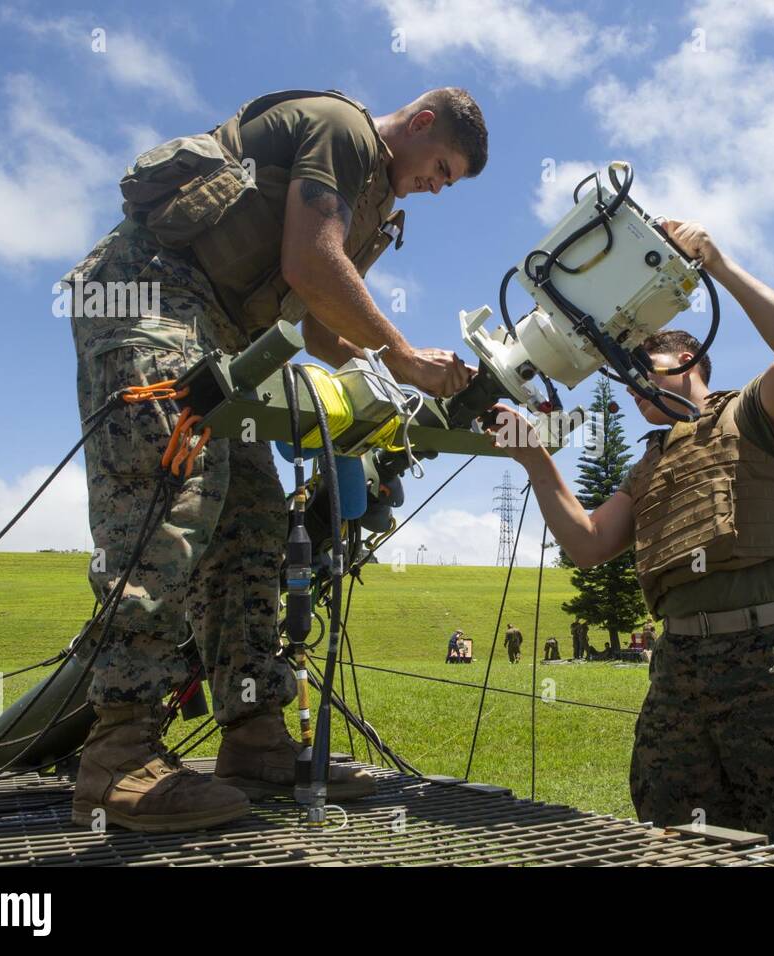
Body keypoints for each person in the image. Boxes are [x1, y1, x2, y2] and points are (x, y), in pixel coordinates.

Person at [67, 86, 488, 832]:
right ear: (422, 124)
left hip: (221, 333)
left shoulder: (372, 206)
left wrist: (386, 371)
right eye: (441, 169)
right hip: (152, 295)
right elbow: (310, 263)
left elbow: (314, 317)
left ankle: (254, 733)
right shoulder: (343, 133)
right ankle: (117, 753)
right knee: (178, 488)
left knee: (254, 521)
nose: (435, 187)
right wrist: (404, 354)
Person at [486, 220, 774, 865]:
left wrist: (715, 261)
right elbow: (588, 543)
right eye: (630, 381)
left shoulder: (752, 414)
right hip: (680, 666)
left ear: (693, 365)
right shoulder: (649, 463)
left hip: (770, 659)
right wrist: (535, 462)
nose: (637, 389)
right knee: (674, 837)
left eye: (650, 372)